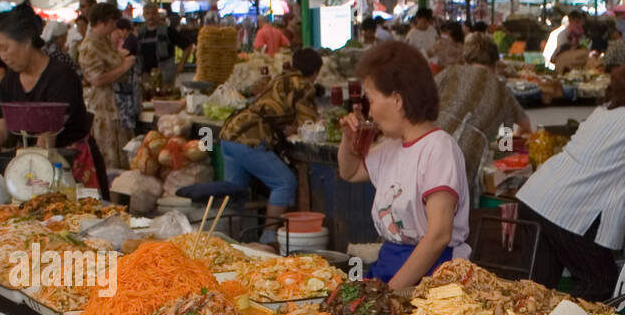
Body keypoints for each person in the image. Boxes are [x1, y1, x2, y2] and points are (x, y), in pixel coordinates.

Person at [515, 65, 625, 302]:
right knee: (599, 283)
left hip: (536, 196)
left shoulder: (601, 111)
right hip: (570, 210)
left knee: (537, 290)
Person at [337, 41, 470, 288]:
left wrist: (390, 293)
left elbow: (439, 235)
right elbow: (350, 172)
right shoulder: (391, 146)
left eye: (372, 100)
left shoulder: (438, 148)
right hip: (390, 264)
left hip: (433, 276)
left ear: (397, 100)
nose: (370, 111)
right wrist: (348, 138)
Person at [0, 1, 108, 197]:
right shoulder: (10, 80)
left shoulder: (61, 76)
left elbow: (50, 131)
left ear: (26, 41)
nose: (3, 57)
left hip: (69, 165)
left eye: (5, 48)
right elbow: (0, 126)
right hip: (30, 165)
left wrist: (35, 157)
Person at [219, 47, 322, 244]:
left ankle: (228, 241)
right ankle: (269, 238)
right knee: (285, 182)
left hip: (230, 133)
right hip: (251, 138)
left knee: (235, 193)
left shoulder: (280, 78)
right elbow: (311, 125)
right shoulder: (303, 85)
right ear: (316, 72)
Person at [435, 35, 531, 198]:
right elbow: (517, 131)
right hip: (466, 165)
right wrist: (506, 145)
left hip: (432, 148)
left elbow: (423, 100)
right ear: (495, 64)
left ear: (466, 59)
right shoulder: (502, 92)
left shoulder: (451, 72)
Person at [79, 3, 136, 170]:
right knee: (109, 161)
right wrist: (123, 67)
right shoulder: (89, 45)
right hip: (104, 110)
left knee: (122, 157)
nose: (115, 27)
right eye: (113, 22)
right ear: (104, 22)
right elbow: (96, 79)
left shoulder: (105, 41)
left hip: (117, 107)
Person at [111, 19, 142, 139]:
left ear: (124, 30)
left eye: (118, 31)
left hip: (129, 88)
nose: (118, 35)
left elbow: (126, 53)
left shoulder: (131, 39)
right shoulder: (129, 39)